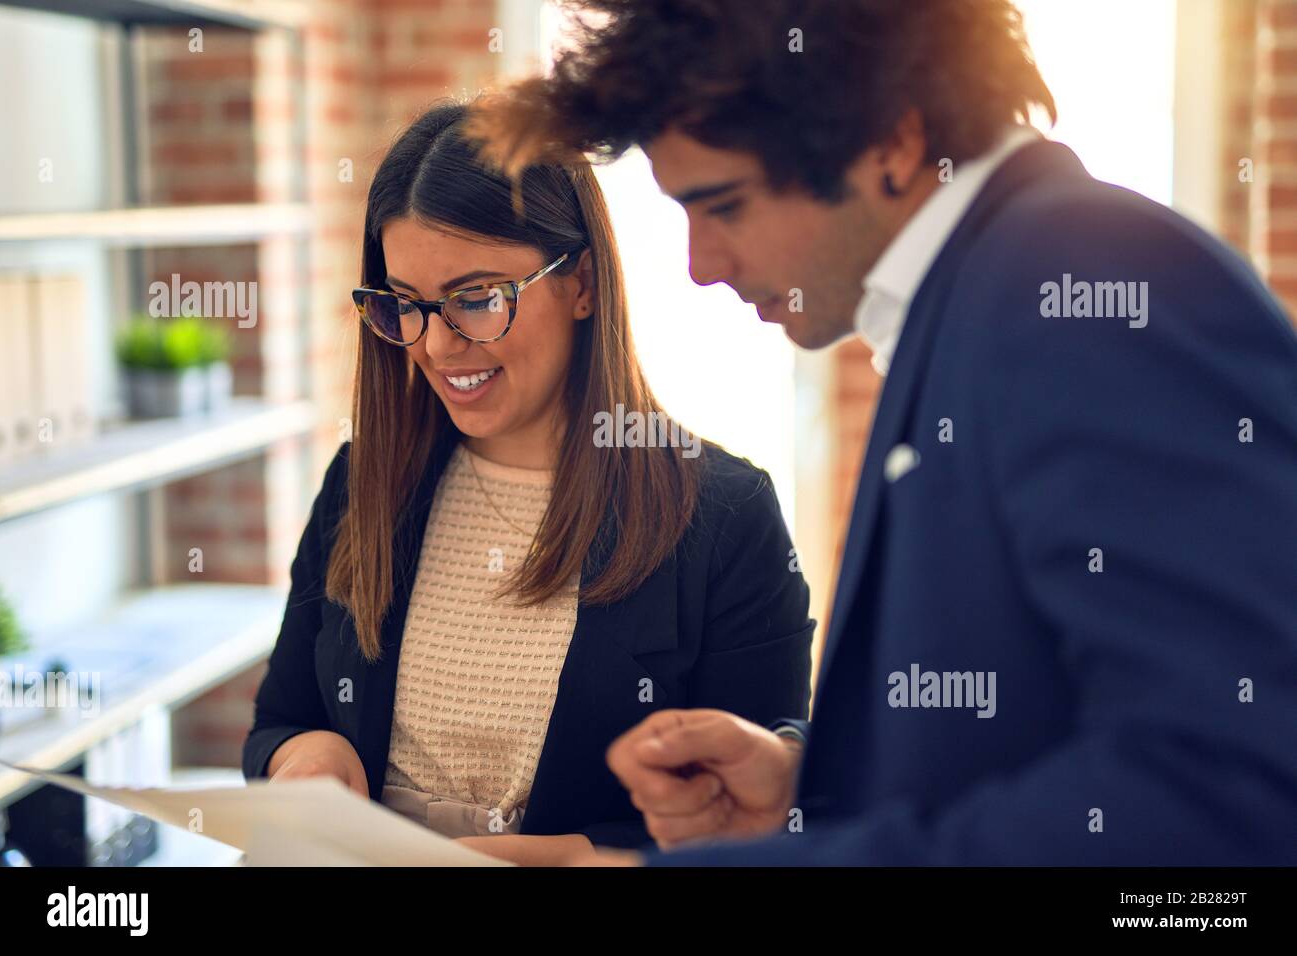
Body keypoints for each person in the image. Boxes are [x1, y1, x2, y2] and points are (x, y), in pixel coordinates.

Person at [465, 0, 1297, 865]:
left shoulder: (1093, 284)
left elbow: (1228, 797)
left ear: (896, 147)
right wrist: (805, 801)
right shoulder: (983, 295)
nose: (701, 265)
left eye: (726, 205)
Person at [241, 100, 814, 866]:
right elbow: (280, 719)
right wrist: (303, 756)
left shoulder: (725, 514)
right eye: (404, 306)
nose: (438, 346)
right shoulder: (361, 483)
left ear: (580, 284)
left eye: (477, 299)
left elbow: (761, 826)